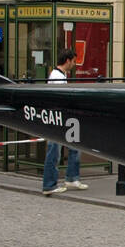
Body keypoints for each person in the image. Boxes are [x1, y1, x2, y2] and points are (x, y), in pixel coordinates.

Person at [43, 48, 88, 196]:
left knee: (74, 145)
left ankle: (72, 177)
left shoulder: (59, 75)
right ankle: (49, 185)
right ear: (67, 60)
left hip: (62, 117)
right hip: (58, 118)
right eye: (74, 61)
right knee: (54, 151)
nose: (74, 65)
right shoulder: (57, 76)